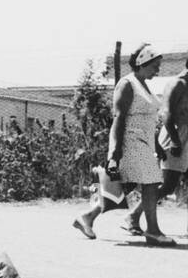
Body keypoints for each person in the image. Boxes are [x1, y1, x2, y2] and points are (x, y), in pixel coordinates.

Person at [73, 43, 175, 246]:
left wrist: (157, 145)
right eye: (155, 65)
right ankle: (153, 231)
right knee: (150, 183)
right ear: (142, 62)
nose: (158, 70)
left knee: (125, 186)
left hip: (144, 143)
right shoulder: (127, 84)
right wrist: (114, 152)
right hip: (130, 142)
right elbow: (119, 118)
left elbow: (146, 121)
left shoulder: (143, 84)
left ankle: (87, 218)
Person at [123, 48, 188, 239]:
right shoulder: (176, 84)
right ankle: (133, 216)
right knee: (167, 186)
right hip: (177, 137)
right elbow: (166, 114)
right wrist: (175, 142)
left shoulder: (187, 86)